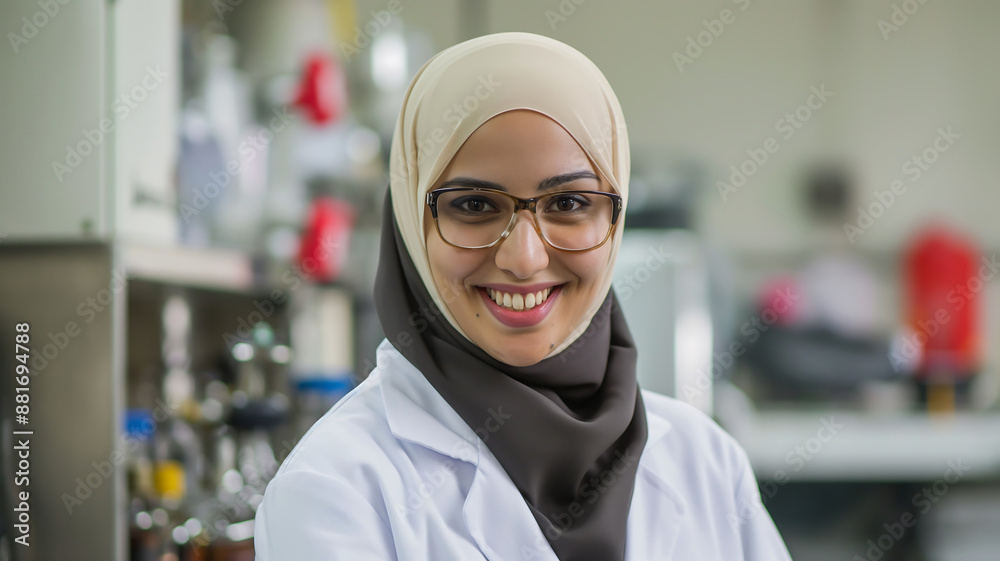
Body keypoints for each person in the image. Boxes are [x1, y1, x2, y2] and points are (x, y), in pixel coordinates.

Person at [254, 32, 792, 561]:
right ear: (411, 221)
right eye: (474, 205)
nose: (524, 258)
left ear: (615, 216)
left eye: (569, 202)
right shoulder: (335, 491)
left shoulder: (706, 463)